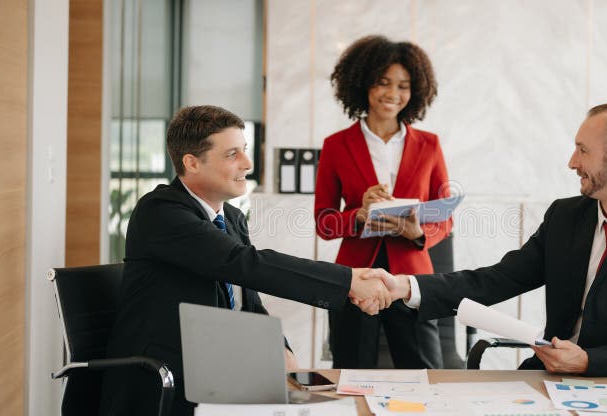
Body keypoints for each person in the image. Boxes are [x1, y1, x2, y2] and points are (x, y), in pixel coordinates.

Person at [377, 103, 607, 376]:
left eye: (582, 150)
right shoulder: (565, 217)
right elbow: (494, 281)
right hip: (548, 379)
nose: (572, 162)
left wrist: (587, 361)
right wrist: (405, 287)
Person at [99, 105, 392, 416]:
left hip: (220, 371)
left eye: (245, 150)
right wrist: (348, 282)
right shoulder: (160, 213)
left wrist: (281, 348)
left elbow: (248, 299)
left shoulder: (232, 218)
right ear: (192, 162)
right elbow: (244, 263)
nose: (248, 164)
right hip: (165, 382)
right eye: (232, 154)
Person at [314, 35, 452, 369]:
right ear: (363, 84)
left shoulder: (429, 145)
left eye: (403, 86)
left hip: (412, 279)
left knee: (424, 373)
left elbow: (445, 215)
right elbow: (324, 221)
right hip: (355, 276)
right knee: (351, 372)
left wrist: (418, 232)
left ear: (415, 90)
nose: (393, 94)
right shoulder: (336, 145)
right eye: (383, 83)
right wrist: (358, 215)